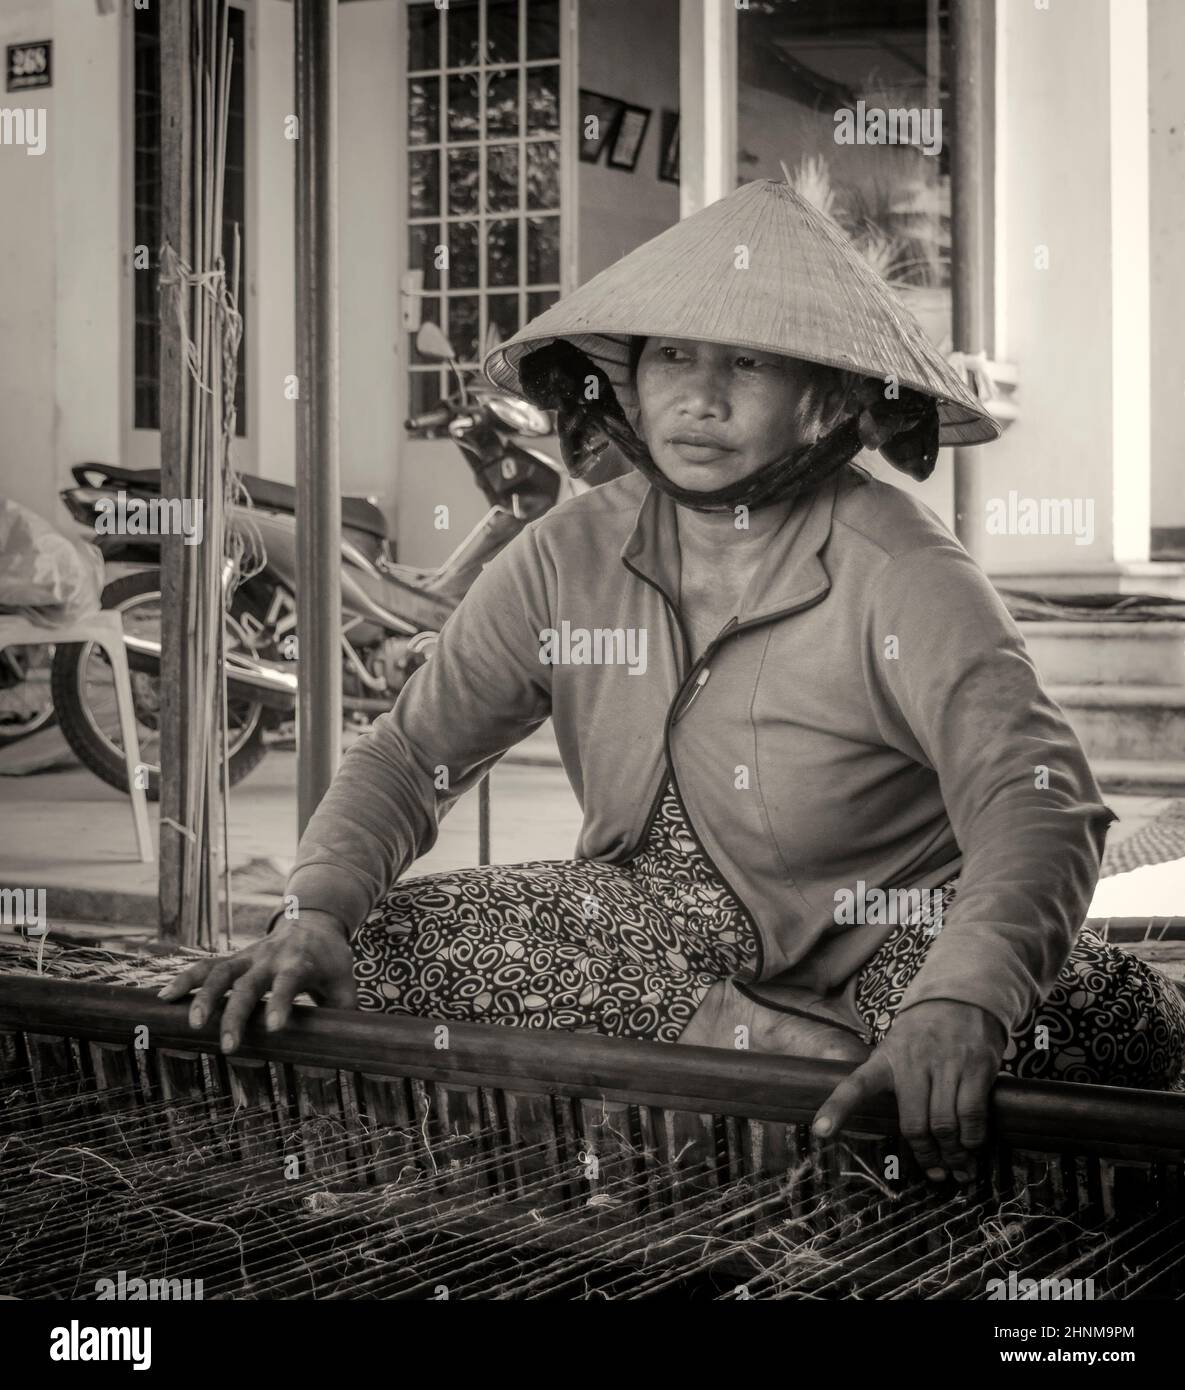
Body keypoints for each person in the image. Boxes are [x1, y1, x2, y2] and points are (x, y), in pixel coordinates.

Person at [160, 180, 1185, 1185]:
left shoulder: (905, 571)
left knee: (1094, 1019)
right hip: (648, 945)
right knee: (358, 955)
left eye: (748, 362)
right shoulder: (566, 555)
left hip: (892, 939)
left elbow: (1040, 802)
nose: (700, 395)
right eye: (674, 357)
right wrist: (314, 909)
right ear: (630, 383)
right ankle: (764, 1061)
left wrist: (958, 1003)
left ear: (825, 398)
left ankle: (775, 1075)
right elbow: (411, 754)